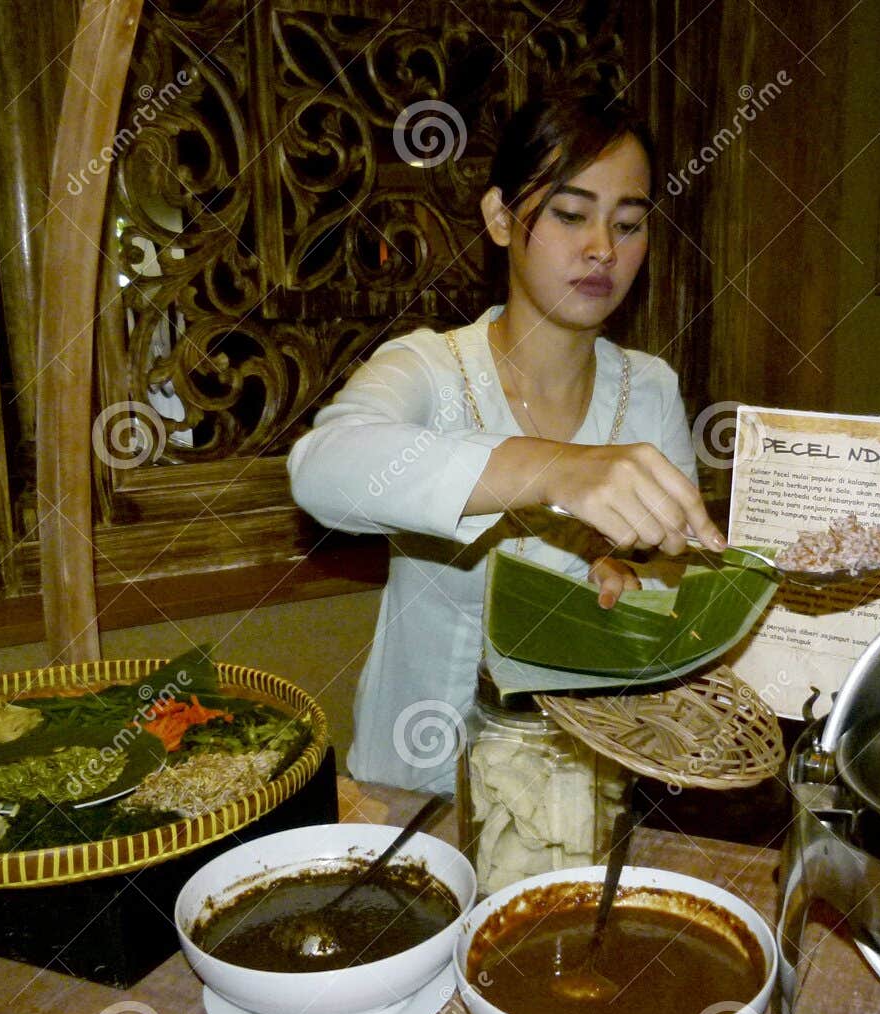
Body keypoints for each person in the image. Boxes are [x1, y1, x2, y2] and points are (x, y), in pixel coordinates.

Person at [288, 90, 724, 793]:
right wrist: (554, 469)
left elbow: (676, 584)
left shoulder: (649, 391)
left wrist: (632, 584)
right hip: (417, 788)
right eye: (570, 213)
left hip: (578, 789)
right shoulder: (430, 370)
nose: (602, 250)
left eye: (630, 223)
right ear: (499, 217)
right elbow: (320, 471)